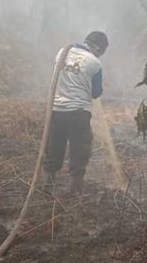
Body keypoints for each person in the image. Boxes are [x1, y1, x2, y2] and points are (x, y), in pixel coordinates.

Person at [43, 32, 109, 194]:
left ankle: (46, 188)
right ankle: (75, 193)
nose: (99, 55)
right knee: (80, 150)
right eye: (101, 52)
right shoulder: (95, 63)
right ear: (98, 48)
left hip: (57, 110)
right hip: (79, 113)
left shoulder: (62, 52)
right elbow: (95, 93)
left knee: (54, 148)